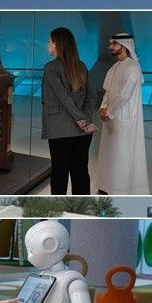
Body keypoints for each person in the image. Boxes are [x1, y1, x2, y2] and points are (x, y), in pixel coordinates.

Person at [41, 27, 97, 195]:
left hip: (61, 130)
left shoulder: (51, 67)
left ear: (57, 44)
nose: (48, 45)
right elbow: (92, 96)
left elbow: (63, 98)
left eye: (49, 41)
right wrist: (84, 120)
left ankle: (58, 212)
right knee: (80, 173)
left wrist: (81, 119)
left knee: (59, 173)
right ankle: (81, 211)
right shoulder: (81, 66)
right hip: (83, 132)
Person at [96, 33, 150, 195]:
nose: (110, 46)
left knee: (122, 155)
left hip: (124, 119)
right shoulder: (114, 68)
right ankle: (107, 186)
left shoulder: (132, 68)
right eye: (111, 43)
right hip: (111, 119)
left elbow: (124, 95)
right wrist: (103, 107)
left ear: (124, 45)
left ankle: (120, 190)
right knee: (109, 155)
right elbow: (108, 91)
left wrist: (110, 112)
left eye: (114, 43)